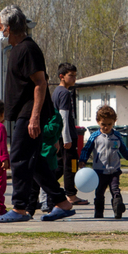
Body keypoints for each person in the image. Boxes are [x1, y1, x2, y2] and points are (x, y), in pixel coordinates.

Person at [0, 5, 73, 223]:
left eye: (0, 26)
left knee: (18, 158)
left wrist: (34, 117)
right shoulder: (17, 49)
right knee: (35, 161)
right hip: (23, 113)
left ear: (9, 28)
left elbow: (40, 83)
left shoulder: (28, 49)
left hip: (29, 115)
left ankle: (19, 208)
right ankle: (62, 203)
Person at [78, 105, 128, 219]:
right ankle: (99, 212)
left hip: (114, 170)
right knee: (99, 192)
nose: (106, 127)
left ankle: (118, 207)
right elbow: (87, 149)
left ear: (114, 122)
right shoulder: (95, 136)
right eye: (103, 124)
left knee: (115, 189)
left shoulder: (117, 136)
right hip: (99, 171)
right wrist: (82, 160)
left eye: (109, 124)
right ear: (98, 122)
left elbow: (123, 149)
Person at [52, 63, 87, 208]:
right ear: (62, 76)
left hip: (61, 136)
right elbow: (63, 116)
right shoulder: (65, 93)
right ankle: (71, 195)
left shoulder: (56, 91)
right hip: (67, 137)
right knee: (71, 166)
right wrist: (67, 139)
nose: (74, 78)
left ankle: (44, 185)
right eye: (70, 75)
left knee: (60, 165)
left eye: (75, 75)